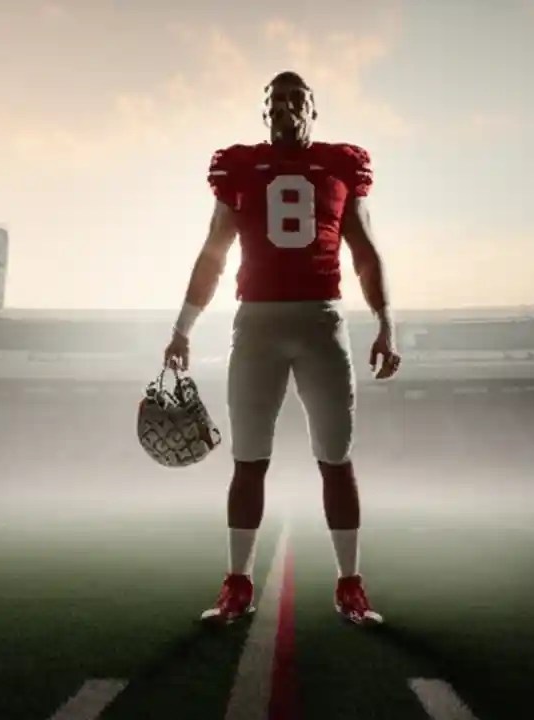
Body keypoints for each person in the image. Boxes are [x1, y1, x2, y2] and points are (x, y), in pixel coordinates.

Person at [163, 70, 401, 626]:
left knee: (336, 459)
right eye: (275, 98)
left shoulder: (340, 165)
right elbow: (213, 253)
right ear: (263, 111)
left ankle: (350, 585)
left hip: (322, 319)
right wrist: (183, 328)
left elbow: (366, 251)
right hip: (256, 323)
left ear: (314, 109)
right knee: (248, 459)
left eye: (297, 98)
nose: (286, 106)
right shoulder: (241, 167)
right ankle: (237, 585)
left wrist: (386, 323)